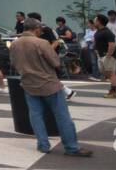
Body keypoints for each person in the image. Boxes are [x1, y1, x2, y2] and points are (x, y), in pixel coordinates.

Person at [8, 18, 93, 158]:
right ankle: (71, 147)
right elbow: (55, 62)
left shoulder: (15, 44)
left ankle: (43, 144)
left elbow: (14, 63)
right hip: (48, 84)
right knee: (62, 116)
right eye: (40, 29)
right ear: (36, 29)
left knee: (36, 115)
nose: (41, 31)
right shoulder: (42, 43)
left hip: (28, 84)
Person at [94, 13, 116, 98]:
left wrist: (108, 55)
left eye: (95, 20)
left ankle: (113, 91)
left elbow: (112, 44)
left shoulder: (107, 32)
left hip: (109, 56)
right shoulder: (99, 31)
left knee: (111, 73)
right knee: (105, 72)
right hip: (101, 55)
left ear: (99, 21)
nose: (94, 21)